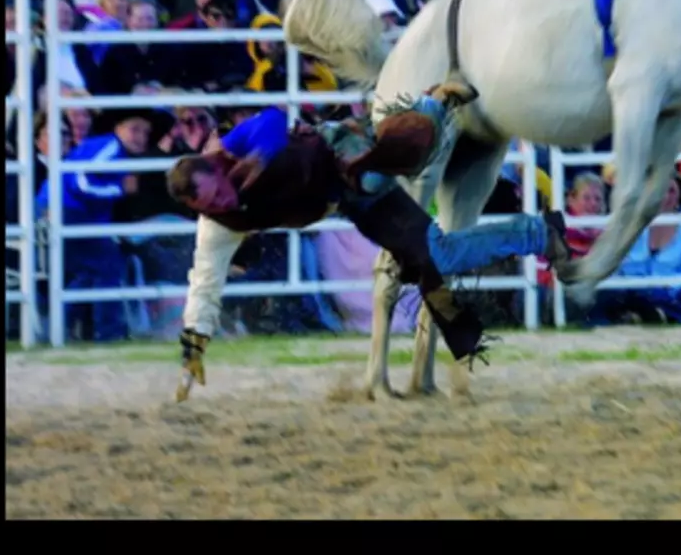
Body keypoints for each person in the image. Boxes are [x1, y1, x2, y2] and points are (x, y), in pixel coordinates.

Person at [165, 81, 571, 401]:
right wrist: (194, 348)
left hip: (337, 155)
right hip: (340, 201)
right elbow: (204, 283)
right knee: (439, 257)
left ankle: (434, 103)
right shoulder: (219, 224)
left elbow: (271, 119)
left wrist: (261, 155)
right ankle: (536, 232)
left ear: (213, 171)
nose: (223, 201)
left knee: (379, 171)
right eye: (211, 203)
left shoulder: (228, 149)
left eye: (218, 191)